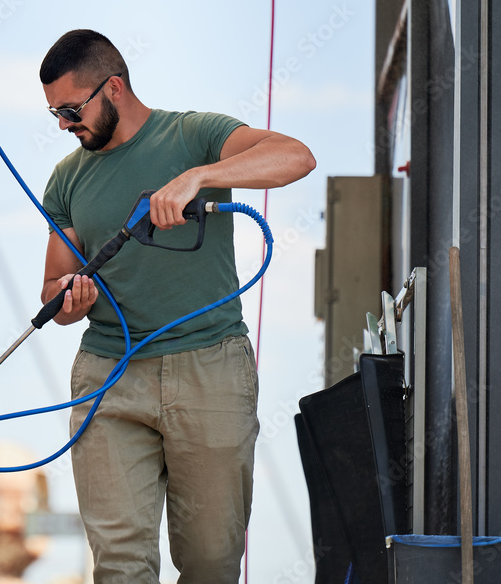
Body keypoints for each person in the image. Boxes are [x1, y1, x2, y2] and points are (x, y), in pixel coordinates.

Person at [38, 29, 316, 584]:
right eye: (56, 116)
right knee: (120, 565)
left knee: (212, 562)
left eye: (71, 110)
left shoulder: (195, 135)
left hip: (209, 369)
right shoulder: (67, 179)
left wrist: (200, 177)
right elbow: (53, 290)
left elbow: (296, 156)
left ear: (113, 88)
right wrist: (69, 297)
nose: (66, 126)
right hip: (108, 377)